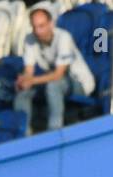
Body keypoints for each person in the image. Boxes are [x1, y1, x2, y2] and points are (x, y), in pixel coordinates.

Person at [13, 3, 96, 133]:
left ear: (51, 24)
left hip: (79, 83)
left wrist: (31, 81)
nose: (37, 31)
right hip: (51, 81)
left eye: (41, 26)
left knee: (53, 86)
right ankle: (22, 132)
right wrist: (23, 80)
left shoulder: (64, 37)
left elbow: (58, 74)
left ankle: (54, 131)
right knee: (23, 92)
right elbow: (29, 71)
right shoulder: (29, 39)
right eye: (34, 27)